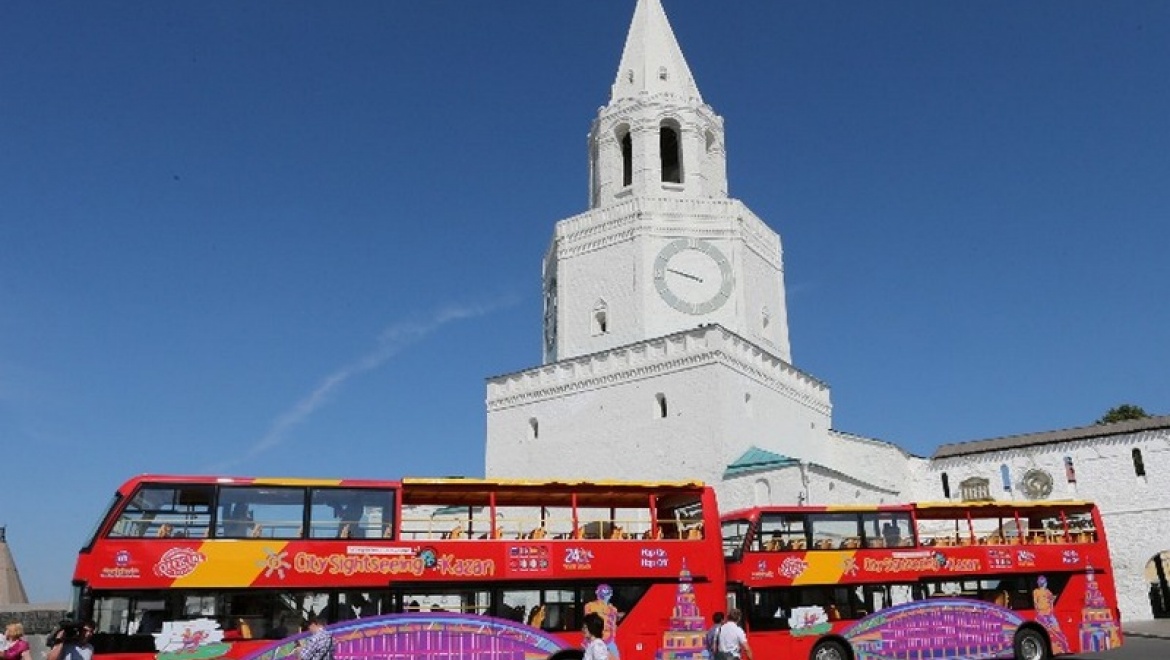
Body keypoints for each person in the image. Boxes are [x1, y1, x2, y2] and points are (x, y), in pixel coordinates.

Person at [583, 584, 622, 658]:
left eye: (608, 594)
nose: (606, 597)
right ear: (597, 594)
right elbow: (589, 621)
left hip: (610, 641)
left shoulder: (613, 609)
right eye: (603, 595)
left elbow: (613, 624)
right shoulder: (590, 606)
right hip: (596, 640)